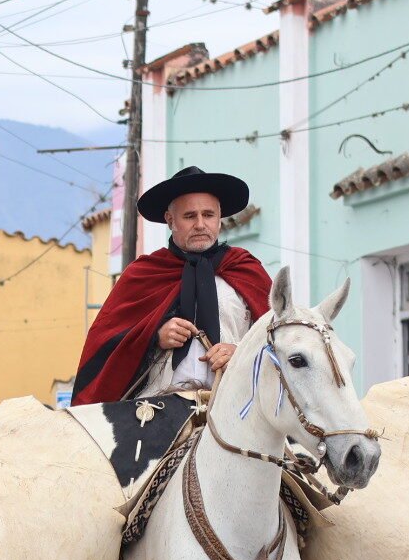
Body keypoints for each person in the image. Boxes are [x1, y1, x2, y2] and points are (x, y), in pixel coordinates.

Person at [73, 167, 273, 405]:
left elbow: (281, 336)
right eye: (190, 216)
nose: (200, 224)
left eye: (208, 215)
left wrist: (240, 351)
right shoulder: (144, 275)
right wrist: (154, 335)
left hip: (236, 408)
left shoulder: (245, 269)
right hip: (156, 411)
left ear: (219, 218)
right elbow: (106, 344)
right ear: (170, 220)